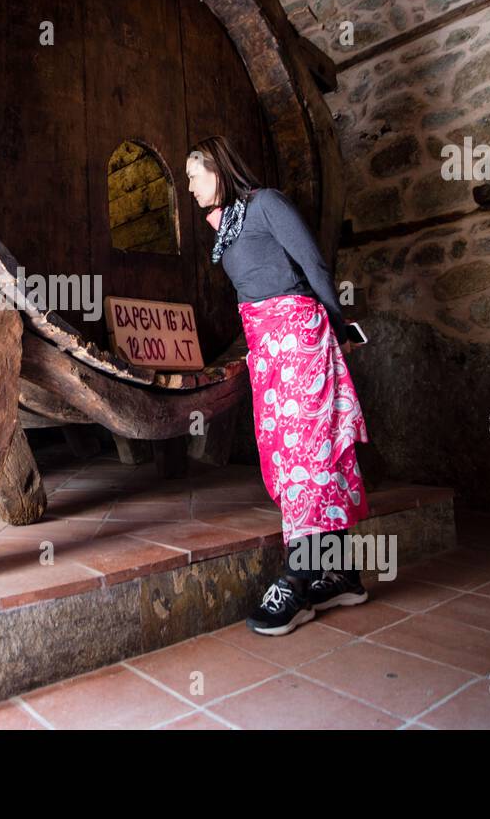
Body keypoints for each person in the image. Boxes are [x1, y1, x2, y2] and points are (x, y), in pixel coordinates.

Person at [187, 136, 371, 636]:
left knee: (309, 454)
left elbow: (313, 264)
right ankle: (343, 575)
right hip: (266, 347)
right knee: (287, 458)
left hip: (299, 336)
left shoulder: (266, 203)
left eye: (194, 175)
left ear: (219, 170)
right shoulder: (224, 227)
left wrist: (334, 327)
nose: (189, 186)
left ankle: (299, 574)